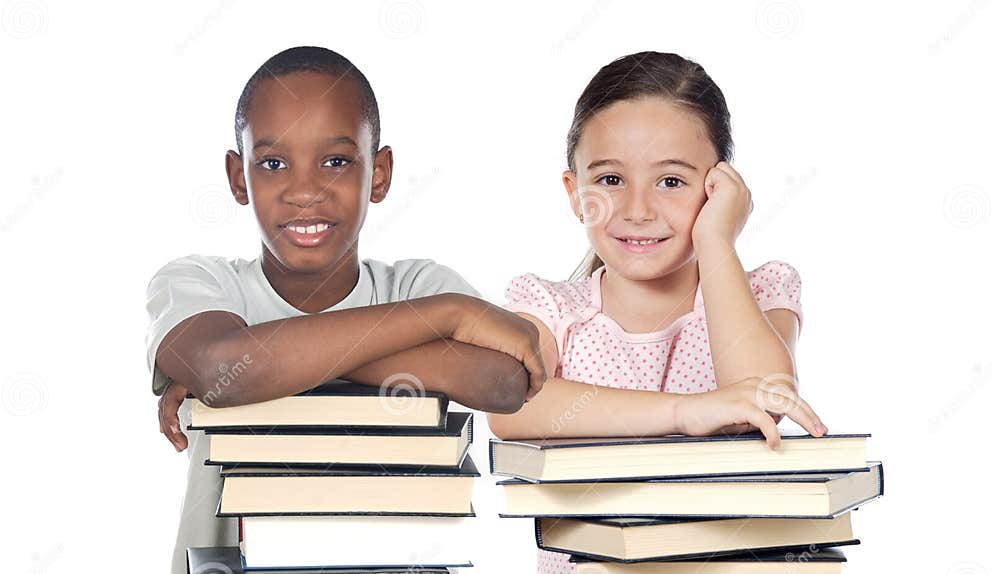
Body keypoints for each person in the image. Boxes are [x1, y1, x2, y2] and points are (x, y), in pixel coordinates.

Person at [144, 46, 545, 574]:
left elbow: (503, 381)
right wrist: (445, 320)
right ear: (238, 177)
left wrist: (266, 363)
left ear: (378, 174)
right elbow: (222, 367)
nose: (305, 191)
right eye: (271, 163)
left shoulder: (417, 285)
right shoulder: (200, 283)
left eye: (335, 161)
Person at [484, 51, 828, 574]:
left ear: (718, 190)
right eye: (610, 180)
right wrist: (682, 412)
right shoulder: (554, 308)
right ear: (575, 195)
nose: (638, 210)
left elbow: (765, 393)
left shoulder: (758, 291)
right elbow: (511, 405)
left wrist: (717, 239)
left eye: (671, 181)